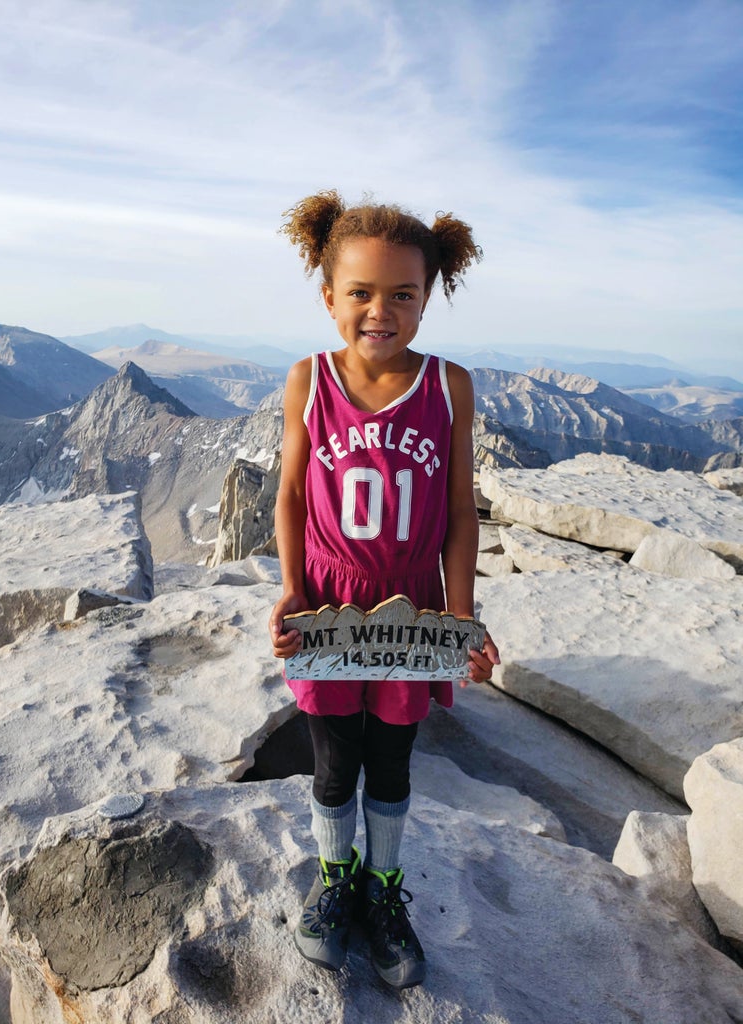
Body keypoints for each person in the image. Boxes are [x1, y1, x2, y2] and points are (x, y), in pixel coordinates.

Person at [269, 189, 500, 989]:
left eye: (403, 293)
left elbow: (461, 511)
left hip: (411, 606)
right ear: (329, 295)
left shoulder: (449, 386)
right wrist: (291, 588)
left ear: (427, 298)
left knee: (393, 760)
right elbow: (291, 494)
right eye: (361, 292)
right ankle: (335, 879)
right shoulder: (309, 379)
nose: (380, 310)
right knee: (334, 760)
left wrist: (461, 619)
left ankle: (383, 886)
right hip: (328, 604)